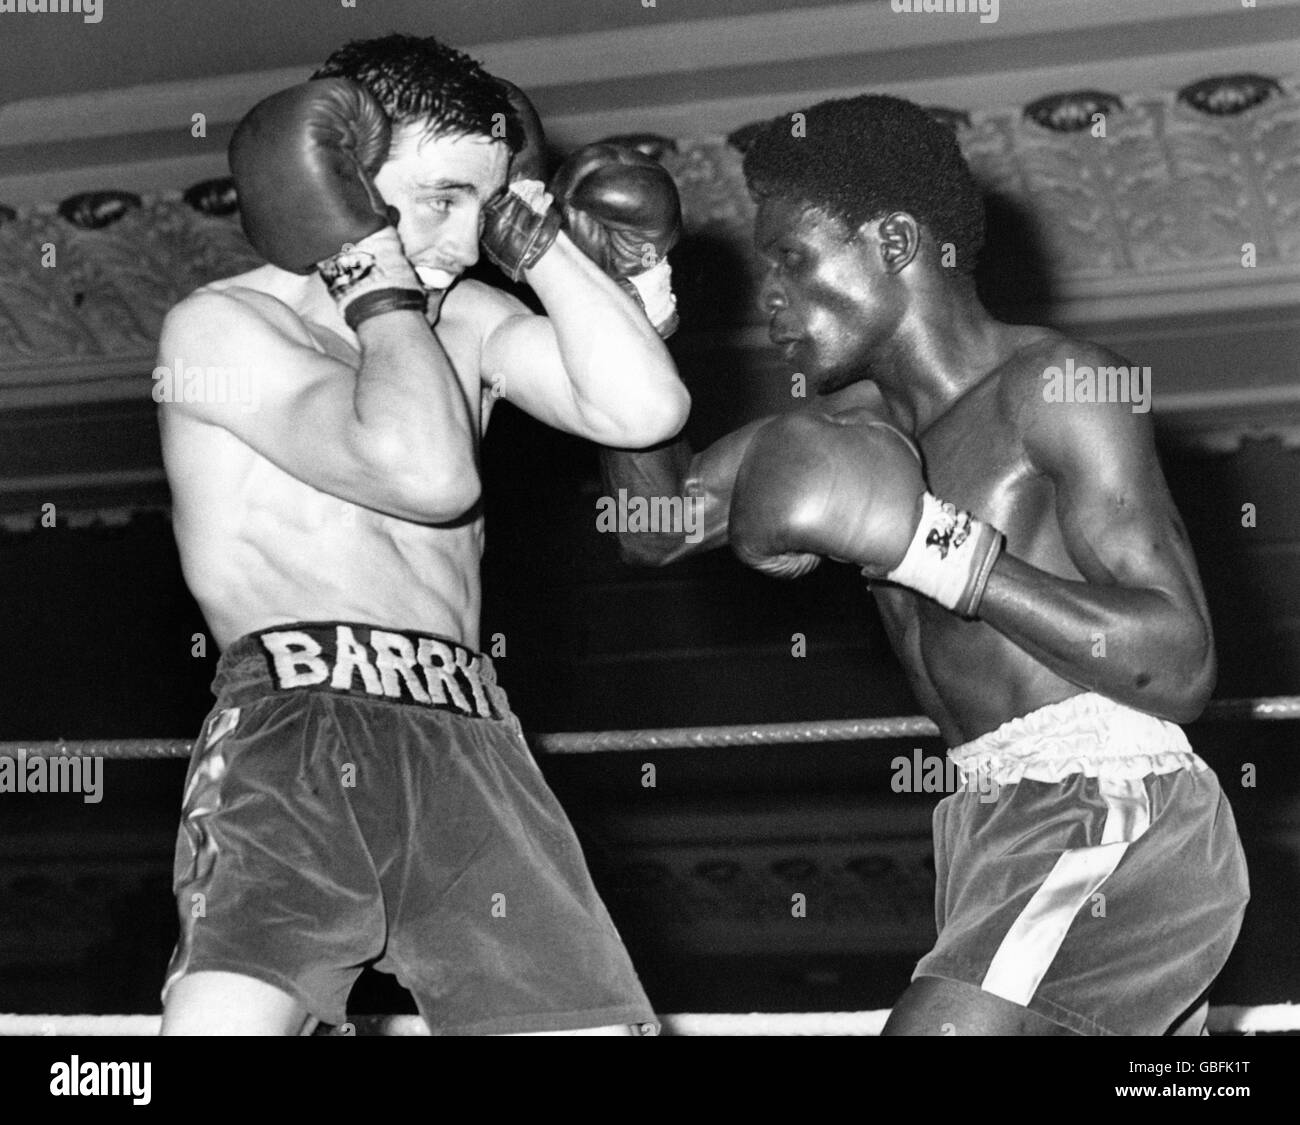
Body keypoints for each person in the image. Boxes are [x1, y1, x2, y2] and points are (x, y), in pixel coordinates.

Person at [600, 93, 1248, 1036]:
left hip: (1106, 796)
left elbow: (1181, 664)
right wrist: (622, 310)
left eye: (791, 258)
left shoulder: (1055, 388)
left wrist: (932, 549)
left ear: (896, 241)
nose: (767, 298)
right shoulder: (835, 430)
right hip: (981, 815)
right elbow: (648, 525)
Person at [156, 33, 688, 1036]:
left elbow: (643, 411)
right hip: (299, 728)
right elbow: (425, 471)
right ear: (342, 177)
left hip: (469, 737)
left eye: (486, 204)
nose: (460, 235)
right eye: (439, 195)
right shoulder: (221, 331)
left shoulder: (472, 319)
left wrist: (547, 250)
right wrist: (370, 265)